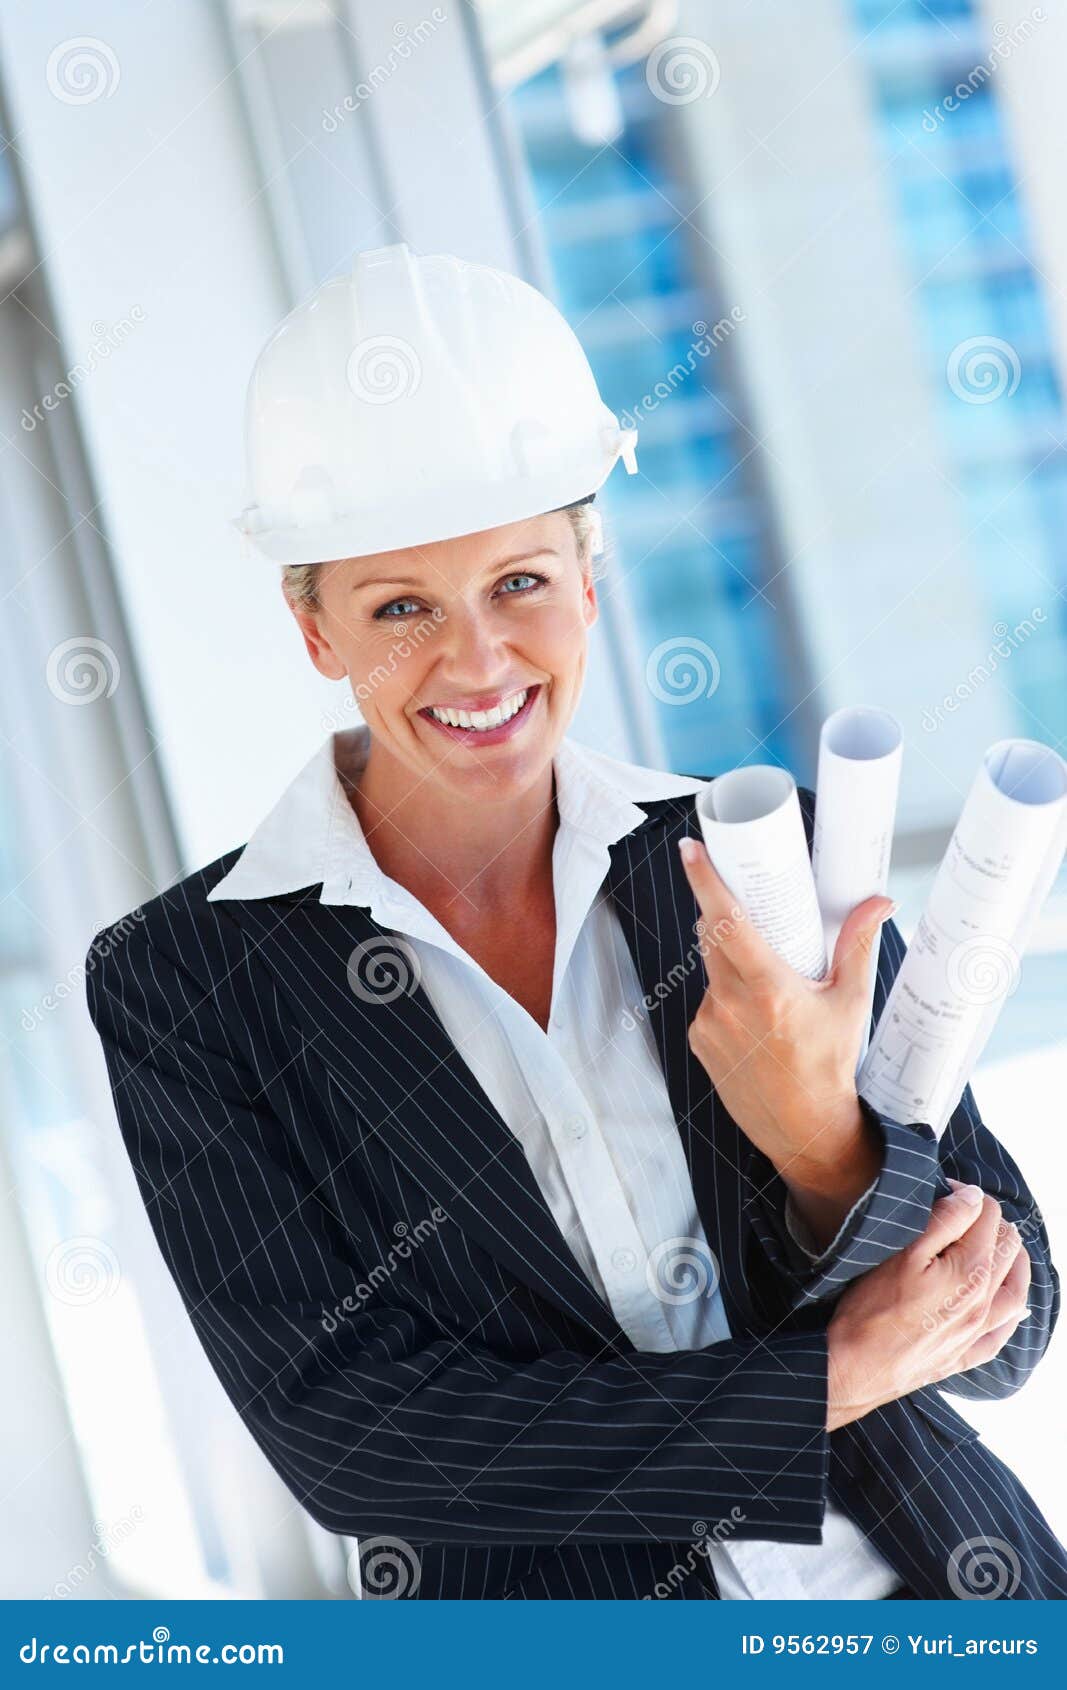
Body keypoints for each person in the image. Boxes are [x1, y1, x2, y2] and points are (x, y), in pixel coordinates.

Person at [85, 244, 1065, 1601]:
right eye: (403, 608)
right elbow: (363, 1440)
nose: (480, 660)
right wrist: (831, 1375)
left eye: (521, 582)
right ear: (316, 632)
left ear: (591, 579)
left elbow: (1011, 1332)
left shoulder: (751, 859)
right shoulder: (188, 980)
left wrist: (828, 1152)